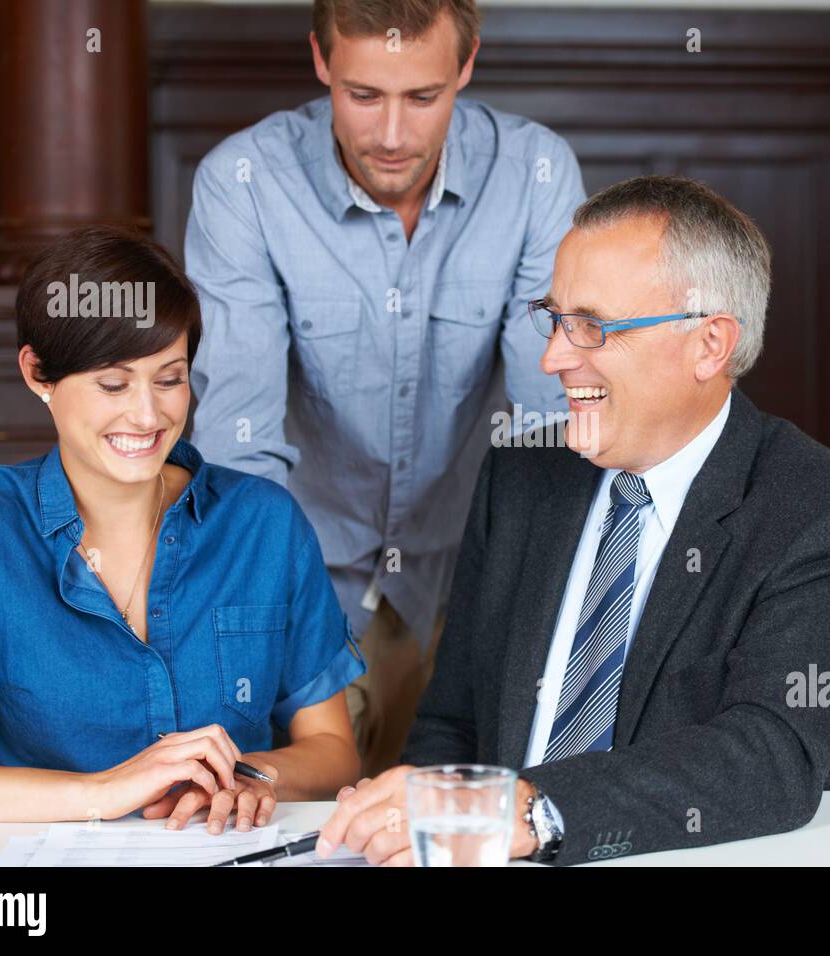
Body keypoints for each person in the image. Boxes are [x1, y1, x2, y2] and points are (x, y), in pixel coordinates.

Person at [315, 175, 830, 865]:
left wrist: (535, 810)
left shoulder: (824, 513)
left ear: (710, 344)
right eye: (554, 317)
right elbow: (453, 722)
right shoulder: (519, 475)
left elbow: (773, 755)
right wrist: (423, 829)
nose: (553, 357)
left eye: (592, 326)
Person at [184, 0, 586, 778]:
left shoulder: (536, 175)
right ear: (321, 62)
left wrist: (538, 619)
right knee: (299, 835)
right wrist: (260, 627)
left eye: (423, 97)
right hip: (305, 582)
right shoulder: (244, 183)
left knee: (449, 837)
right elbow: (242, 440)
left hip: (470, 581)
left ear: (466, 66)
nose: (392, 135)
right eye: (363, 95)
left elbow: (552, 414)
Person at [0, 226, 364, 832]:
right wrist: (101, 792)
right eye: (113, 384)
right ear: (38, 374)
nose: (148, 415)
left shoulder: (264, 522)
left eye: (170, 379)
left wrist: (250, 776)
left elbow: (333, 749)